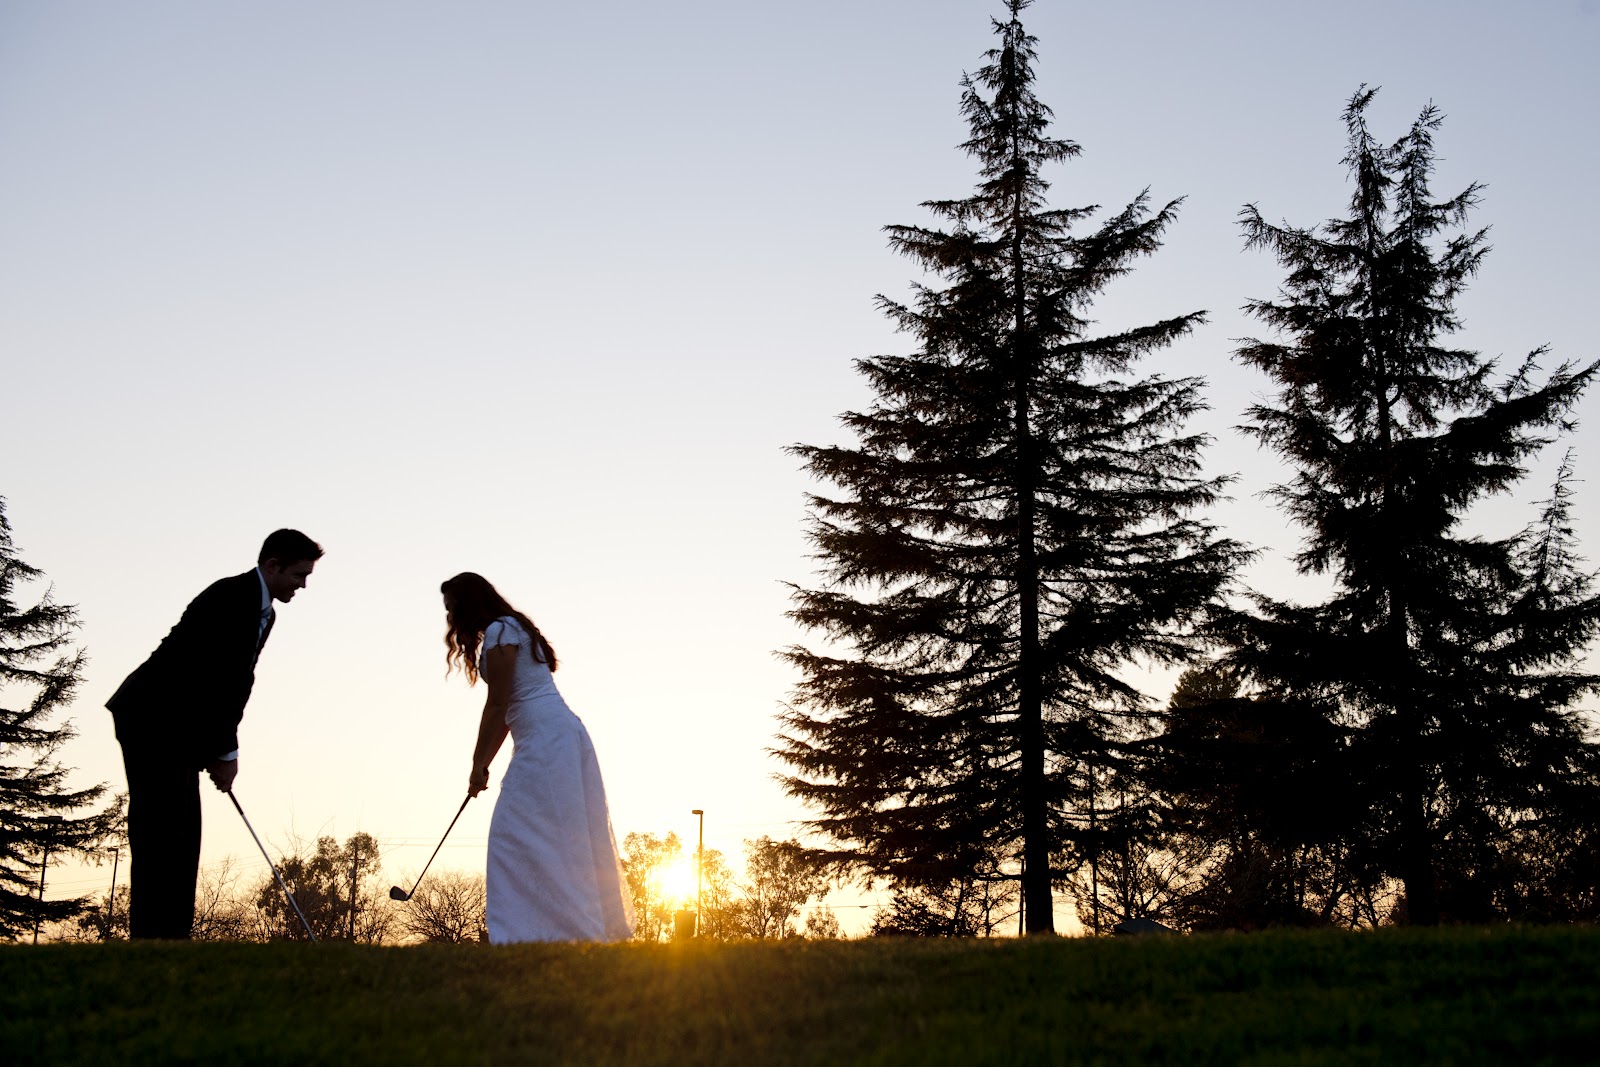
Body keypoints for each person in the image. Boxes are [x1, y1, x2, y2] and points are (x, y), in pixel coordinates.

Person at [107, 529, 322, 940]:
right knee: (161, 827)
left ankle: (172, 935)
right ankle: (153, 936)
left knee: (184, 828)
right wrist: (223, 751)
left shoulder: (265, 612)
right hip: (152, 717)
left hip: (180, 725)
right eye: (298, 574)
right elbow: (216, 678)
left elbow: (238, 683)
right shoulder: (231, 597)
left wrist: (219, 748)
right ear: (272, 565)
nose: (303, 584)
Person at [441, 572, 632, 942]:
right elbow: (508, 714)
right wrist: (483, 765)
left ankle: (538, 932)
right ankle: (547, 932)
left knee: (515, 834)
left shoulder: (501, 630)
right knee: (548, 834)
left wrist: (477, 764)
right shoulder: (510, 628)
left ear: (469, 604)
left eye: (453, 608)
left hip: (548, 739)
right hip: (553, 735)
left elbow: (497, 703)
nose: (451, 618)